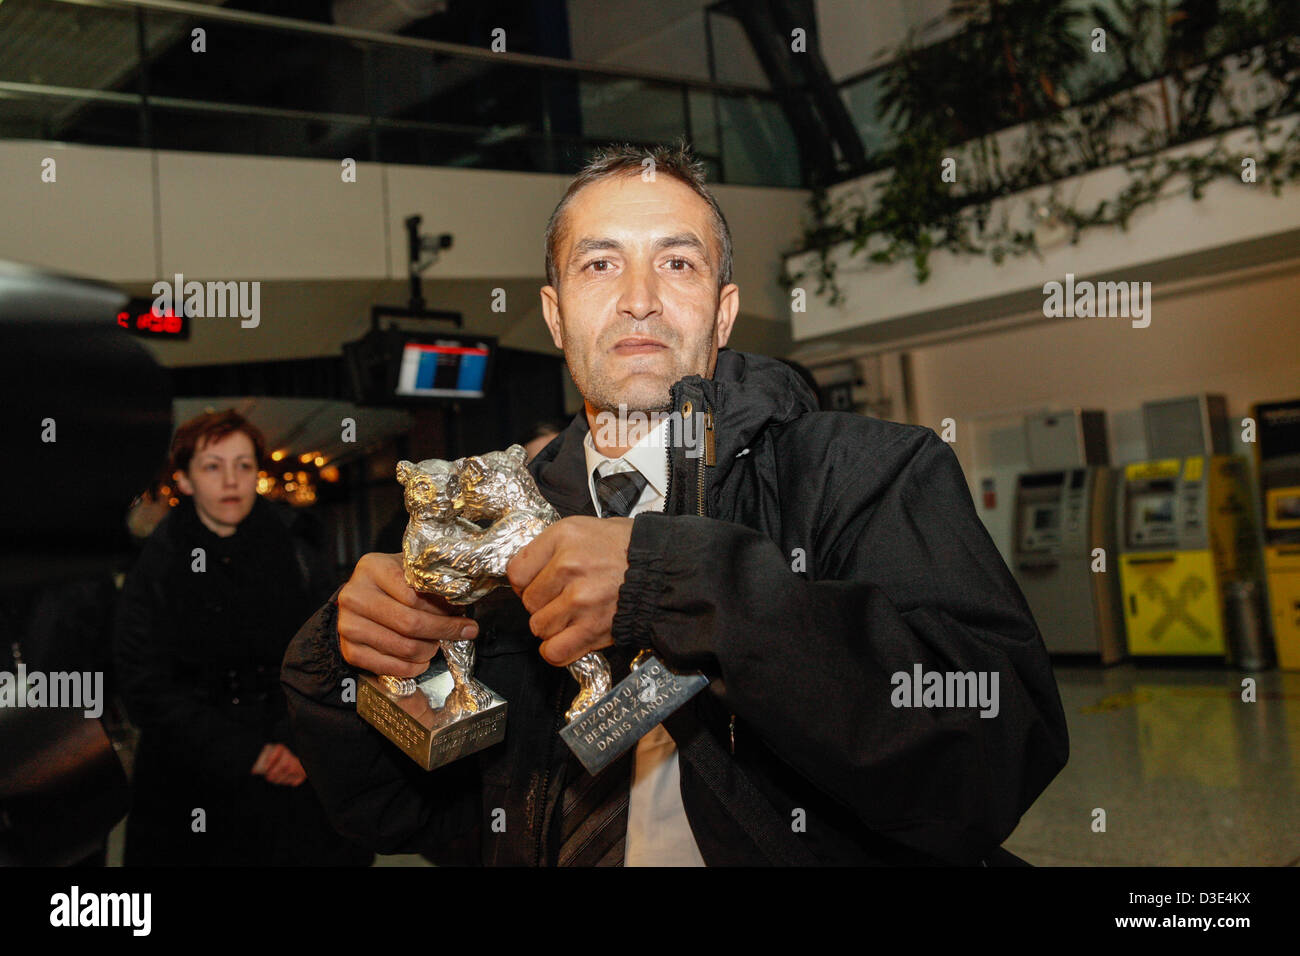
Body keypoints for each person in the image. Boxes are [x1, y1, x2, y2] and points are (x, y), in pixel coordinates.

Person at [281, 141, 1069, 866]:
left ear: (723, 313)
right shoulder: (489, 524)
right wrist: (349, 666)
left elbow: (994, 759)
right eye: (598, 265)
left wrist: (691, 588)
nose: (639, 300)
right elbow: (403, 817)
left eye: (678, 264)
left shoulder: (863, 475)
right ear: (555, 315)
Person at [113, 410, 373, 866]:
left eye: (243, 465)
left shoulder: (296, 550)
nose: (230, 480)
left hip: (296, 758)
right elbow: (144, 685)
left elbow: (335, 656)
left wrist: (298, 745)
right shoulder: (158, 562)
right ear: (186, 481)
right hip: (193, 769)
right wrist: (247, 754)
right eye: (213, 466)